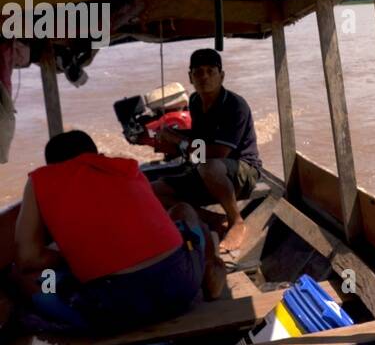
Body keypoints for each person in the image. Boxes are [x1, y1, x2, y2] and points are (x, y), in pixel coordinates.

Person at [13, 131, 226, 333]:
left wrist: (67, 257)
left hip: (114, 310)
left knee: (28, 278)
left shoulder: (42, 179)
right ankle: (210, 265)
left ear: (52, 166)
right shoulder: (126, 168)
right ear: (97, 155)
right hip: (181, 287)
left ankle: (57, 311)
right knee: (184, 211)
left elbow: (28, 258)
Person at [151, 49, 261, 253]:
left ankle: (236, 221)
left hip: (243, 171)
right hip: (206, 169)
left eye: (211, 71)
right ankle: (215, 219)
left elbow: (218, 153)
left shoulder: (235, 106)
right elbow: (199, 140)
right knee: (154, 191)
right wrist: (169, 139)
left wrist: (178, 140)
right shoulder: (194, 101)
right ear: (190, 77)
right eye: (198, 72)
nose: (204, 77)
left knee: (208, 166)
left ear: (222, 75)